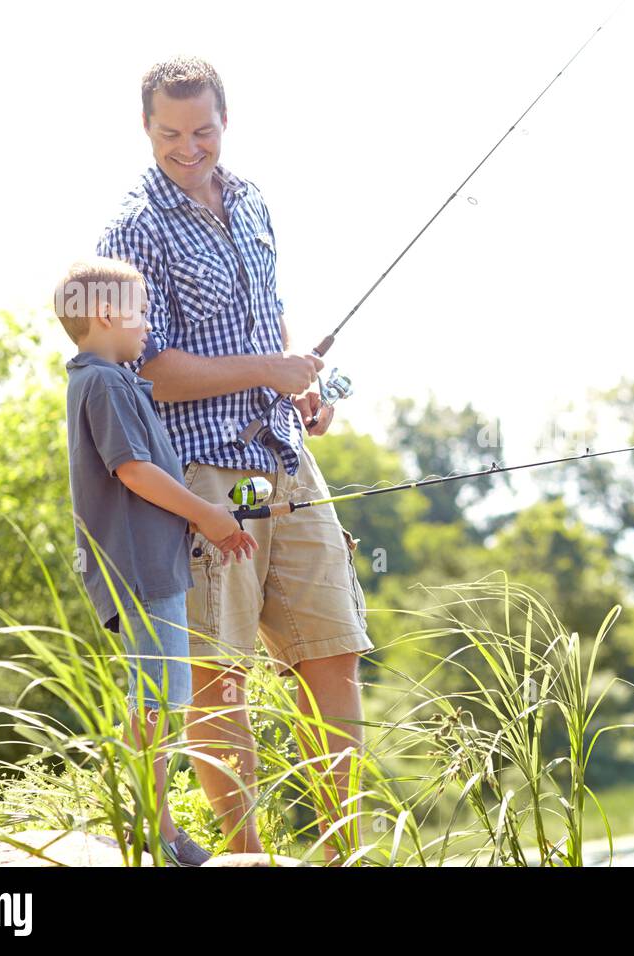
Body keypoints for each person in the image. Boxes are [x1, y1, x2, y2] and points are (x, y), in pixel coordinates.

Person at [95, 56, 374, 858]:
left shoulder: (251, 201)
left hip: (285, 457)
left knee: (334, 651)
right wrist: (262, 370)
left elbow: (270, 324)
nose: (190, 148)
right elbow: (144, 368)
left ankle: (341, 849)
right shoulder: (133, 227)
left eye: (204, 130)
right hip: (206, 476)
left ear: (226, 119)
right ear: (145, 128)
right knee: (222, 676)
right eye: (171, 133)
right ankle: (247, 855)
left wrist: (298, 389)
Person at [56, 256, 258, 866]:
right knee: (159, 694)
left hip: (149, 566)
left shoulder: (109, 380)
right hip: (140, 571)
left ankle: (148, 819)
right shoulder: (106, 383)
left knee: (161, 693)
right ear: (107, 314)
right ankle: (152, 826)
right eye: (141, 311)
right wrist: (206, 513)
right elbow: (133, 470)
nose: (148, 323)